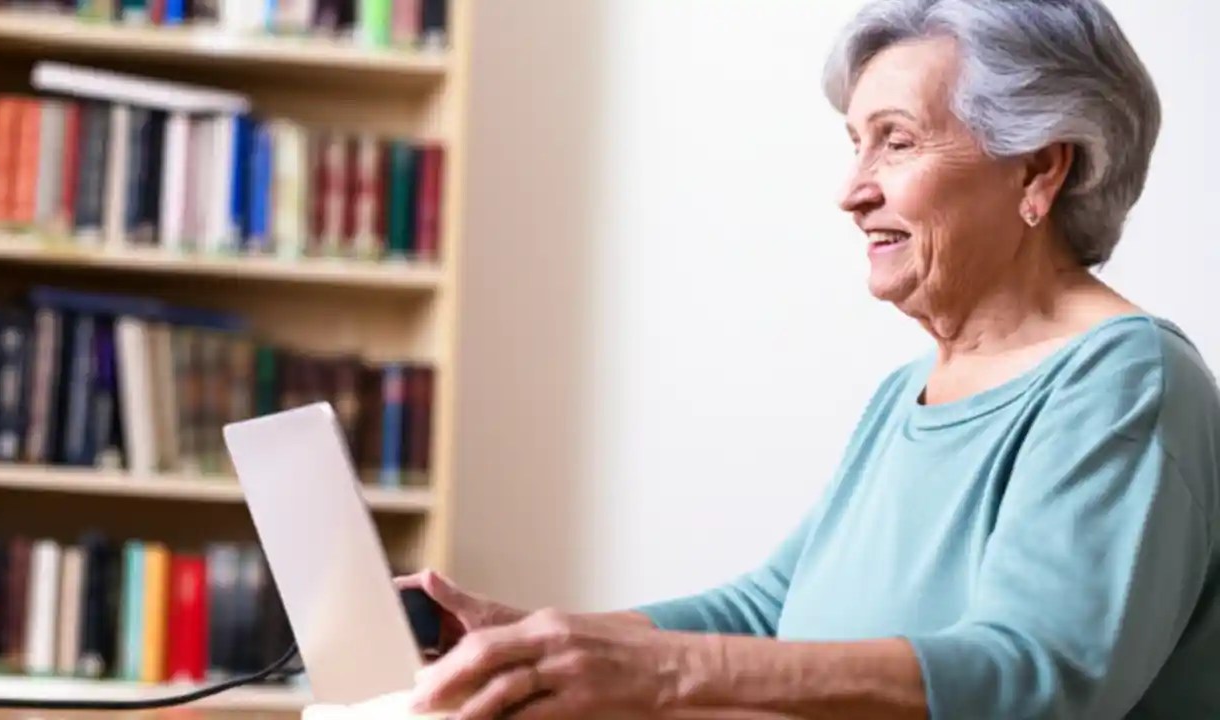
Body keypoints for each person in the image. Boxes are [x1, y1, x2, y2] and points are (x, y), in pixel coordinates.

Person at [401, 1, 1220, 718]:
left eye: (895, 143)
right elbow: (773, 607)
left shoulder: (1125, 382)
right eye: (855, 145)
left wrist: (662, 677)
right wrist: (533, 639)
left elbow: (1034, 678)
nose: (852, 190)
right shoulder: (907, 394)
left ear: (1040, 167)